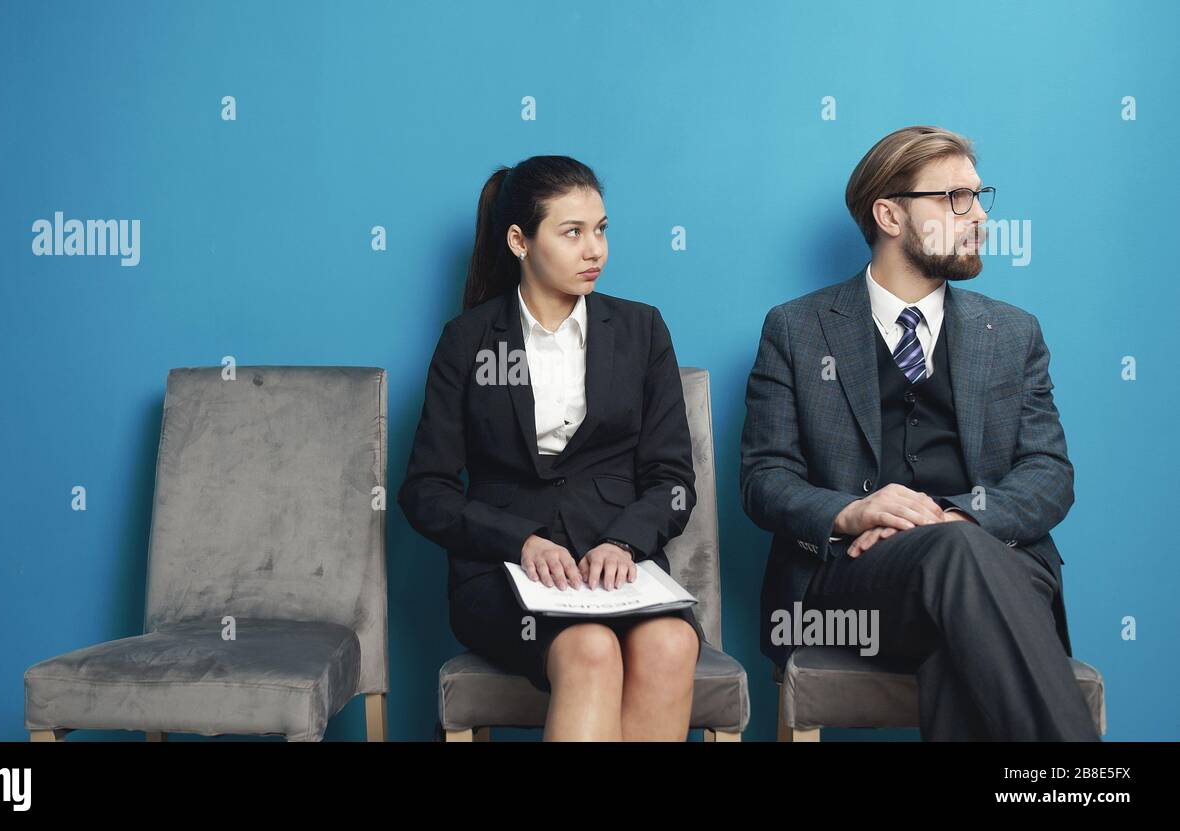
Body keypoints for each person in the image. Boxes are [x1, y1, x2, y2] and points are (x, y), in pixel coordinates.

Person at [739, 126, 1099, 740]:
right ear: (890, 214)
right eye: (955, 197)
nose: (979, 214)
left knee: (960, 610)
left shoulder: (1013, 334)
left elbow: (1049, 475)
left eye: (980, 195)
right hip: (853, 589)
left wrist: (960, 519)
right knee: (964, 583)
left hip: (999, 563)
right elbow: (764, 480)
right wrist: (852, 512)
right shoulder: (797, 330)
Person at [398, 155, 704, 741]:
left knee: (670, 642)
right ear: (519, 240)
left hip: (620, 568)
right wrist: (519, 541)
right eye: (573, 233)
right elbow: (424, 492)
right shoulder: (468, 341)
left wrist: (623, 541)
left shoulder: (642, 330)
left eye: (602, 229)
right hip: (501, 570)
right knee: (589, 650)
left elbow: (673, 479)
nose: (596, 250)